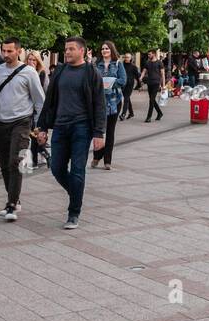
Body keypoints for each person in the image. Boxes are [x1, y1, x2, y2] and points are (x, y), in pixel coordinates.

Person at [34, 37, 106, 229]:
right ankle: (76, 193)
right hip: (60, 127)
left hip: (81, 128)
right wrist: (42, 127)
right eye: (66, 49)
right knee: (56, 168)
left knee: (77, 170)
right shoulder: (60, 71)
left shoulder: (91, 73)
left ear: (82, 51)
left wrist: (99, 133)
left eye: (71, 49)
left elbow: (99, 104)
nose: (67, 52)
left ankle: (74, 212)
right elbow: (49, 100)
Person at [0, 38, 47, 221]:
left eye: (10, 51)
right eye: (4, 51)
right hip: (0, 123)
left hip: (21, 122)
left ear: (18, 51)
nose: (6, 54)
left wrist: (40, 126)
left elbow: (39, 101)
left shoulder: (29, 73)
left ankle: (11, 205)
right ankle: (14, 198)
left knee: (16, 161)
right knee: (4, 164)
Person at [92, 41, 126, 170]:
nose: (104, 50)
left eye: (106, 48)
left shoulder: (118, 64)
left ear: (111, 50)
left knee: (110, 131)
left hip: (114, 102)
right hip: (100, 102)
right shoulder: (97, 65)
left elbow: (123, 81)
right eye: (102, 48)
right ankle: (97, 156)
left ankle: (107, 161)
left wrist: (110, 83)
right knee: (99, 130)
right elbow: (92, 79)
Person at [25, 50, 51, 168]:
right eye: (29, 59)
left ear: (38, 62)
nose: (31, 62)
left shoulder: (42, 74)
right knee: (33, 135)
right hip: (28, 110)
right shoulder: (24, 72)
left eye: (34, 60)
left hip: (39, 110)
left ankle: (38, 158)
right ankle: (43, 154)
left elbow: (46, 92)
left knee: (36, 134)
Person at [143, 50, 164, 122]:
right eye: (148, 54)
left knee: (151, 100)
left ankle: (149, 117)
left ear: (154, 54)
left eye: (149, 54)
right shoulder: (147, 62)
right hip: (149, 83)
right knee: (152, 100)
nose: (148, 56)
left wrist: (163, 85)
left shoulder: (159, 63)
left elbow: (163, 75)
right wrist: (140, 77)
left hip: (156, 83)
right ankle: (160, 113)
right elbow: (144, 71)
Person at [119, 52, 138, 121]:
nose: (126, 58)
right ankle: (131, 113)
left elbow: (137, 76)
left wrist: (138, 85)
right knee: (127, 98)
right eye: (125, 57)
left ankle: (123, 114)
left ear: (131, 58)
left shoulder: (133, 67)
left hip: (130, 84)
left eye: (128, 57)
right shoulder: (121, 65)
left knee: (126, 98)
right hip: (123, 84)